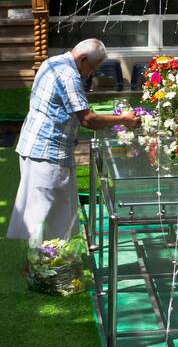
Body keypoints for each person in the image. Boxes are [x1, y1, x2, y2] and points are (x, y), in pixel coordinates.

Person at [7, 38, 138, 244]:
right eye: (92, 67)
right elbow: (87, 119)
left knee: (53, 207)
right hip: (48, 150)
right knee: (43, 211)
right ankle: (38, 265)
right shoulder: (69, 75)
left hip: (33, 144)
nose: (91, 73)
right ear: (84, 59)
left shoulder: (52, 61)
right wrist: (124, 120)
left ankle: (49, 258)